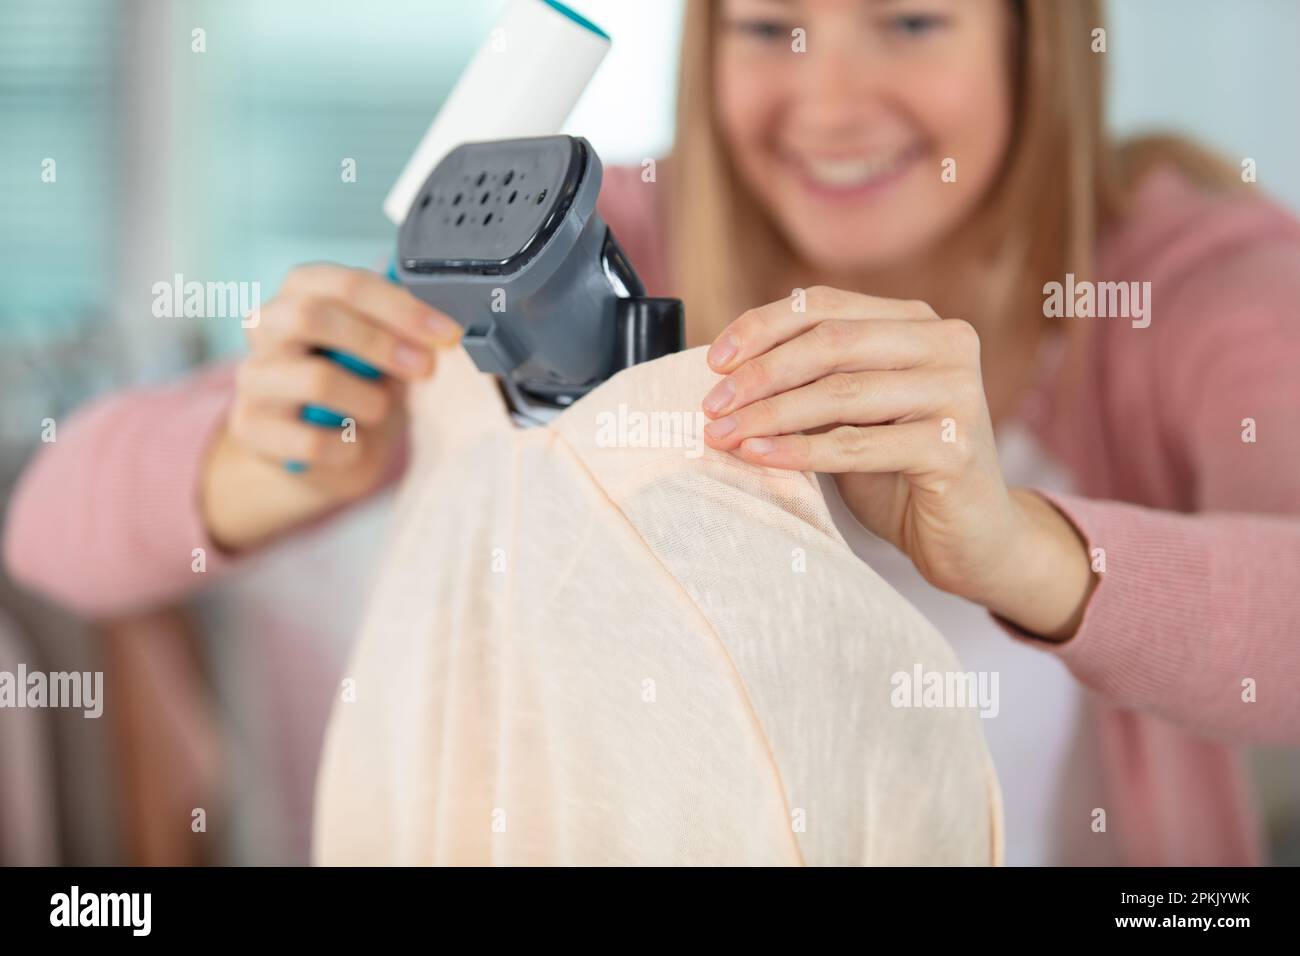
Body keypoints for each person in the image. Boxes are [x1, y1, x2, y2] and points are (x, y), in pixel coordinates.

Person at [5, 0, 1299, 864]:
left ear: (1036, 38)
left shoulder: (1183, 282)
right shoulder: (591, 244)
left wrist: (1027, 553)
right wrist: (252, 463)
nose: (832, 100)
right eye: (772, 25)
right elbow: (53, 534)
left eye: (910, 18)